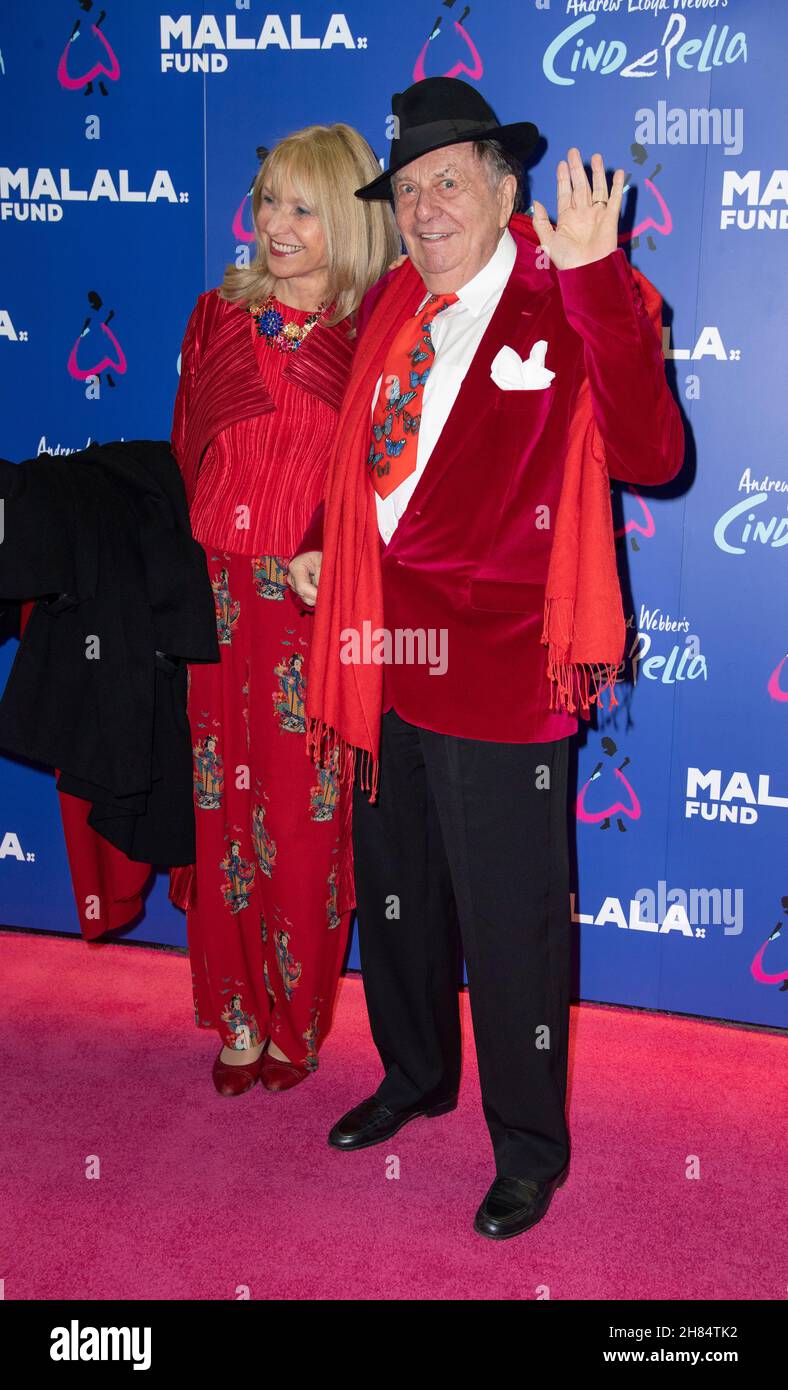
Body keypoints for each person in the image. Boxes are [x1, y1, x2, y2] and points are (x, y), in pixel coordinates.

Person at [289, 79, 684, 1237]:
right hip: (380, 650)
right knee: (397, 898)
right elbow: (357, 461)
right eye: (405, 190)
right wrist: (322, 546)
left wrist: (598, 279)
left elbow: (653, 452)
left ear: (504, 185)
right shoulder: (393, 306)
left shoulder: (571, 290)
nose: (423, 208)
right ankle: (413, 1074)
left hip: (503, 668)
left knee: (512, 929)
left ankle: (528, 1146)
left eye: (446, 180)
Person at [170, 124, 400, 1097]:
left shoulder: (372, 333)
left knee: (303, 826)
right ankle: (234, 1012)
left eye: (302, 207)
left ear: (347, 218)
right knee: (219, 812)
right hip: (214, 596)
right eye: (268, 200)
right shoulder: (216, 316)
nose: (275, 224)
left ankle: (295, 1020)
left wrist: (322, 550)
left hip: (309, 605)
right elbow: (185, 449)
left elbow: (375, 477)